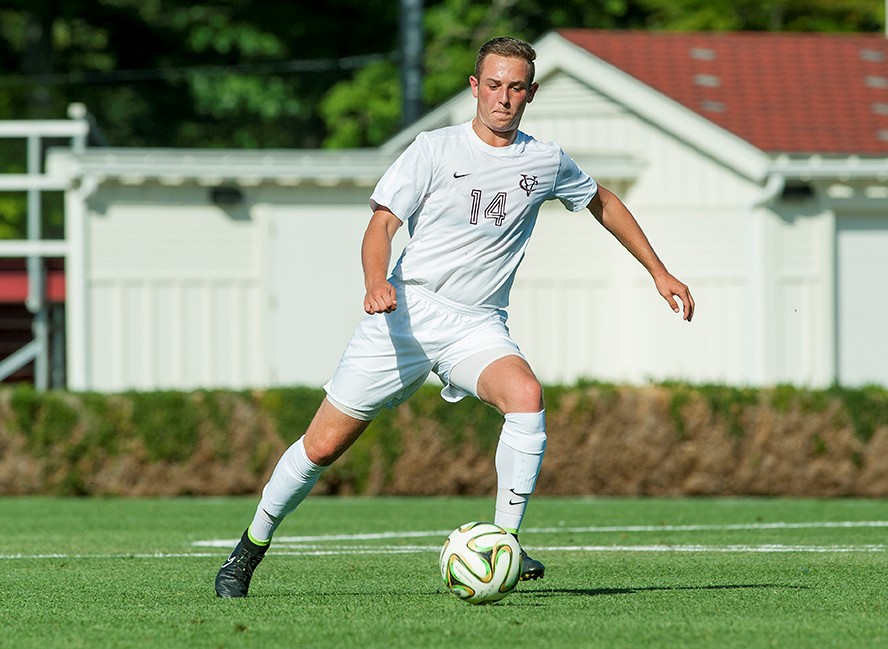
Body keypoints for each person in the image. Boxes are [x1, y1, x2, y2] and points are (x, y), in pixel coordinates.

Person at [215, 36, 694, 598]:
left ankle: (505, 542)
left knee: (526, 396)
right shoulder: (433, 149)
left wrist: (659, 272)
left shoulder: (544, 159)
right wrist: (374, 284)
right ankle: (248, 549)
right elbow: (381, 224)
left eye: (516, 87)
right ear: (475, 86)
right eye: (493, 84)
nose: (504, 97)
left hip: (477, 324)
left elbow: (603, 201)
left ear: (531, 93)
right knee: (321, 448)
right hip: (406, 315)